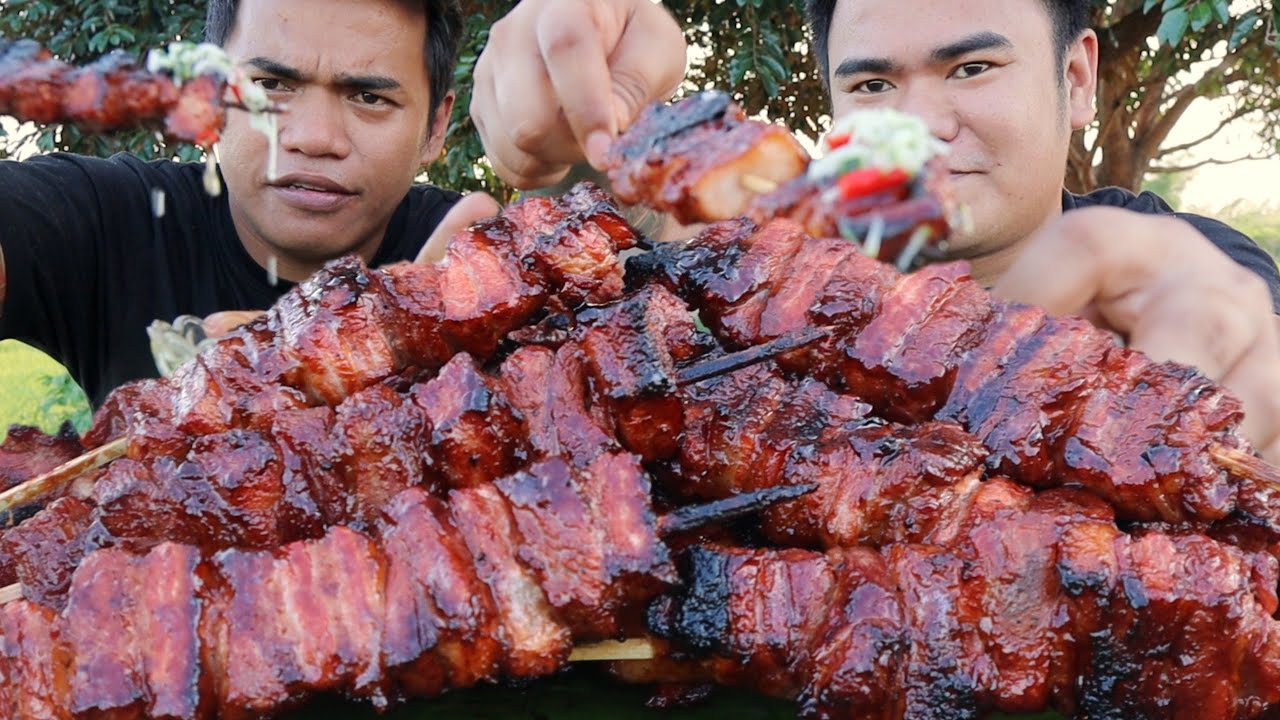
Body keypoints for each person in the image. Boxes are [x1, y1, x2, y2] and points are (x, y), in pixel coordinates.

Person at [467, 0, 1280, 460]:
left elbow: (1241, 326)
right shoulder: (771, 289)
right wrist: (585, 120)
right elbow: (644, 247)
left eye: (972, 68)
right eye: (872, 85)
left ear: (1075, 79)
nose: (920, 127)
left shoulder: (1184, 267)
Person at [0, 0, 493, 408]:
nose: (314, 138)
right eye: (270, 86)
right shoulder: (110, 219)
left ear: (435, 128)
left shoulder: (481, 268)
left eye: (368, 97)